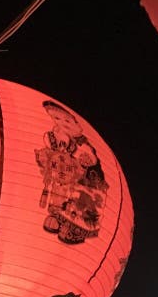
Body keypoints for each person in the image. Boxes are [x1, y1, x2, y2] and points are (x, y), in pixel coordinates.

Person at [35, 100, 109, 244]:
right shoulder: (53, 138)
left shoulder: (84, 148)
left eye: (67, 120)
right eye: (56, 119)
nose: (63, 122)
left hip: (76, 188)